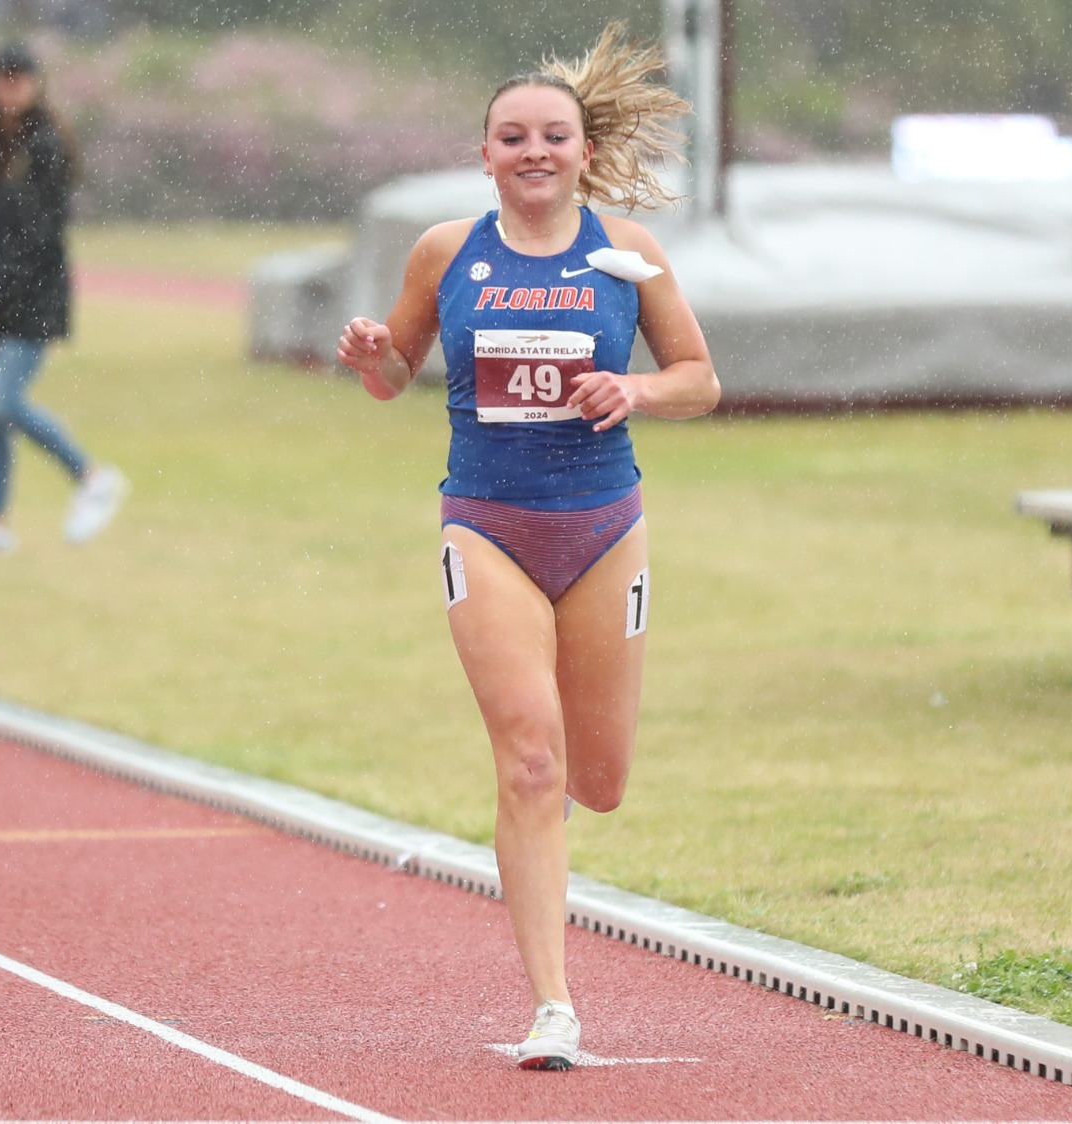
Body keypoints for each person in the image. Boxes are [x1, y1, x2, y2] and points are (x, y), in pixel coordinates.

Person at [334, 23, 717, 1070]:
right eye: (513, 136)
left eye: (552, 134)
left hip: (602, 529)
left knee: (596, 776)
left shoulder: (625, 252)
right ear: (486, 152)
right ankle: (553, 1002)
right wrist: (372, 355)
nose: (533, 151)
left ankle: (560, 916)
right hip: (486, 525)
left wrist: (632, 386)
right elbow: (390, 373)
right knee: (530, 755)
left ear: (584, 149)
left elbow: (699, 380)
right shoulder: (446, 250)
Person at [0, 42, 125, 560]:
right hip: (1, 298)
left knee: (1, 401)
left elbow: (37, 240)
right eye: (3, 78)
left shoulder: (45, 148)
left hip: (34, 300)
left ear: (36, 84)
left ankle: (92, 476)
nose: (11, 87)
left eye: (20, 78)